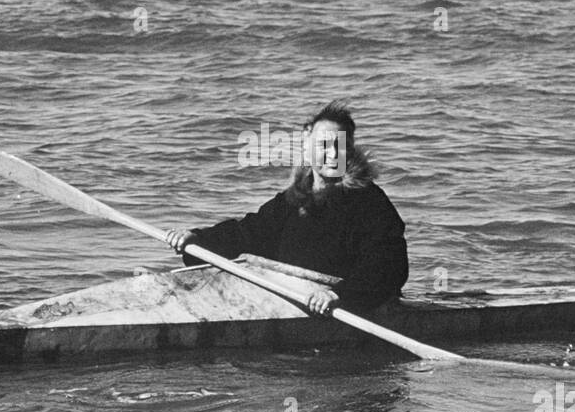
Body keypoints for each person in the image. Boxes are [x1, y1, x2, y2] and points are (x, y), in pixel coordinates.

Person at [165, 101, 408, 316]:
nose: (333, 154)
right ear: (308, 147)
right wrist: (198, 240)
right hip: (293, 304)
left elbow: (388, 266)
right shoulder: (294, 199)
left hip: (346, 308)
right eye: (325, 145)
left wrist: (340, 296)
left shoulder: (370, 203)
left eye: (341, 146)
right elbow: (248, 233)